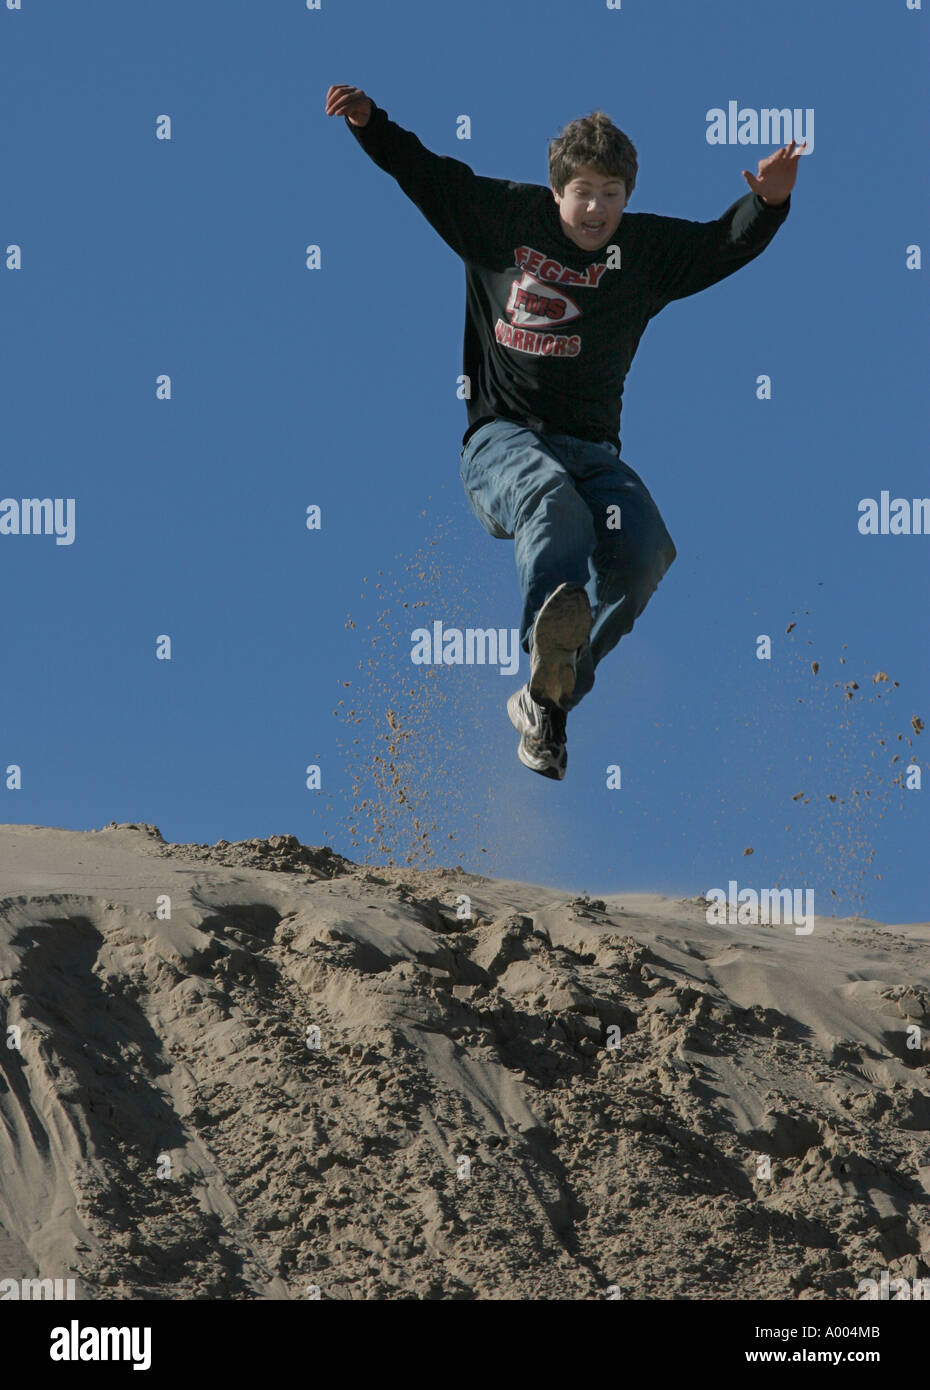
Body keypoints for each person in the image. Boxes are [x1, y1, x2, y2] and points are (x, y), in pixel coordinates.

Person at [325, 85, 802, 779]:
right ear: (556, 190)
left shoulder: (643, 254)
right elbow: (426, 174)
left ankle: (549, 697)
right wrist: (373, 125)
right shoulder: (502, 217)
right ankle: (546, 626)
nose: (596, 210)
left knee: (645, 550)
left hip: (593, 452)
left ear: (626, 199)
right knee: (554, 503)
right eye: (583, 192)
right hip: (503, 442)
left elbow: (717, 246)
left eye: (612, 194)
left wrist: (768, 204)